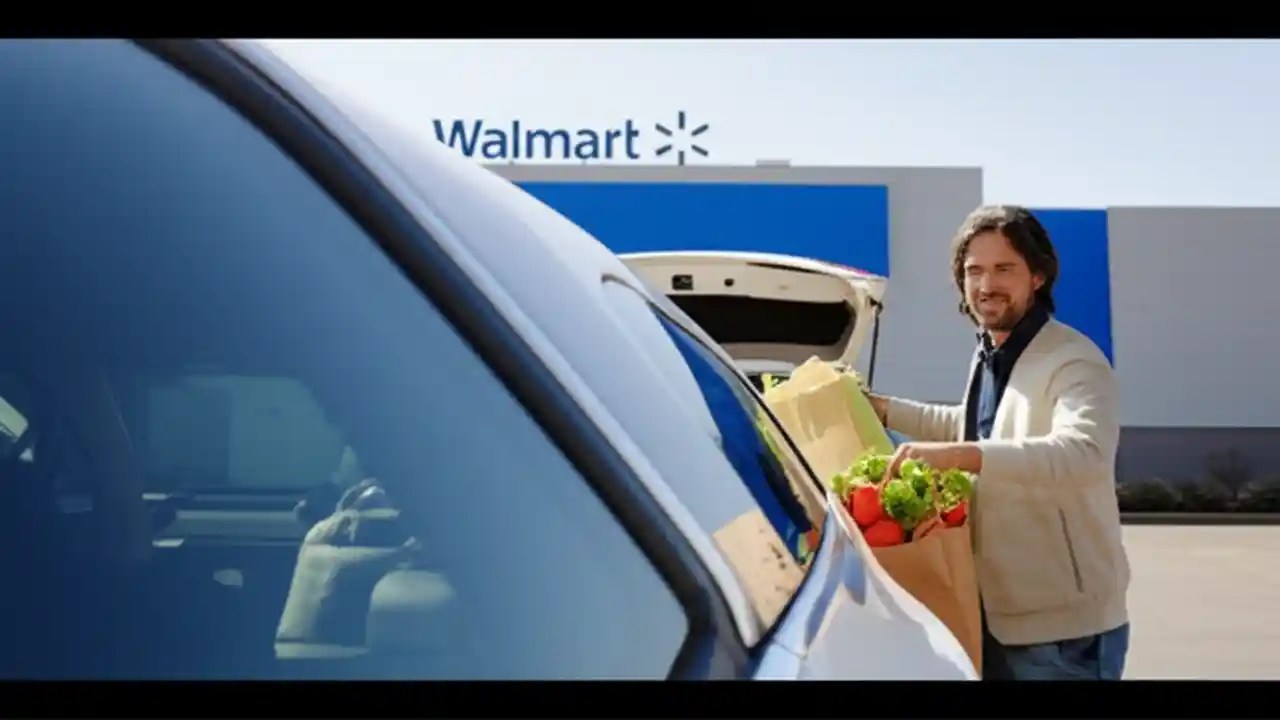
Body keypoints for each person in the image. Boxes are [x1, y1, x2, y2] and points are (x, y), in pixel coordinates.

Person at [865, 204, 1131, 681]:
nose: (987, 285)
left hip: (1062, 630)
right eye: (974, 271)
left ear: (1038, 276)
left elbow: (1083, 453)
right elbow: (976, 430)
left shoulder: (1074, 360)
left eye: (1004, 268)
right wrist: (883, 409)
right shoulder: (991, 351)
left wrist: (959, 456)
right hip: (994, 612)